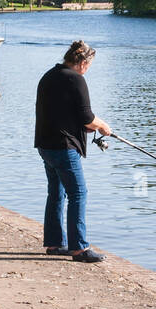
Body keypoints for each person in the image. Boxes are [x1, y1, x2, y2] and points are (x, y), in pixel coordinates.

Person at [34, 40, 112, 263]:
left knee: (56, 192)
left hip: (45, 144)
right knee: (79, 193)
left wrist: (88, 127)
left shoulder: (50, 75)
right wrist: (103, 126)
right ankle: (79, 248)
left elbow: (65, 114)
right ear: (84, 62)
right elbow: (87, 116)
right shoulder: (76, 79)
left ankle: (55, 243)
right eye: (89, 65)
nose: (88, 70)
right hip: (63, 147)